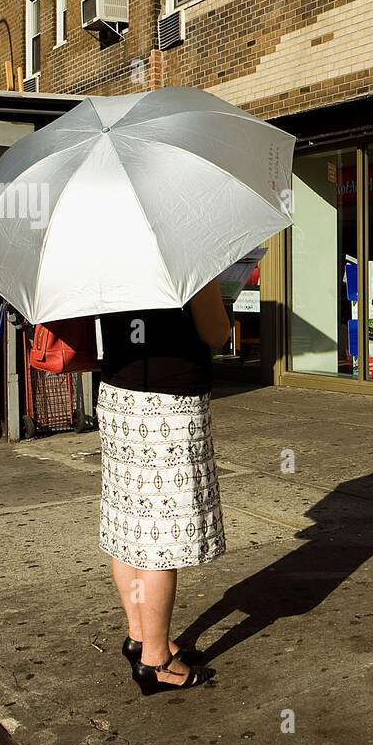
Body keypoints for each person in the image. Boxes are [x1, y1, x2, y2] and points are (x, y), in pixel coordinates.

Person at [97, 281, 232, 694]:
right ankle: (156, 660)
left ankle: (139, 635)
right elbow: (216, 333)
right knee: (163, 534)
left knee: (129, 523)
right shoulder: (184, 265)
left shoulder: (108, 260)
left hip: (118, 396)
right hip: (170, 406)